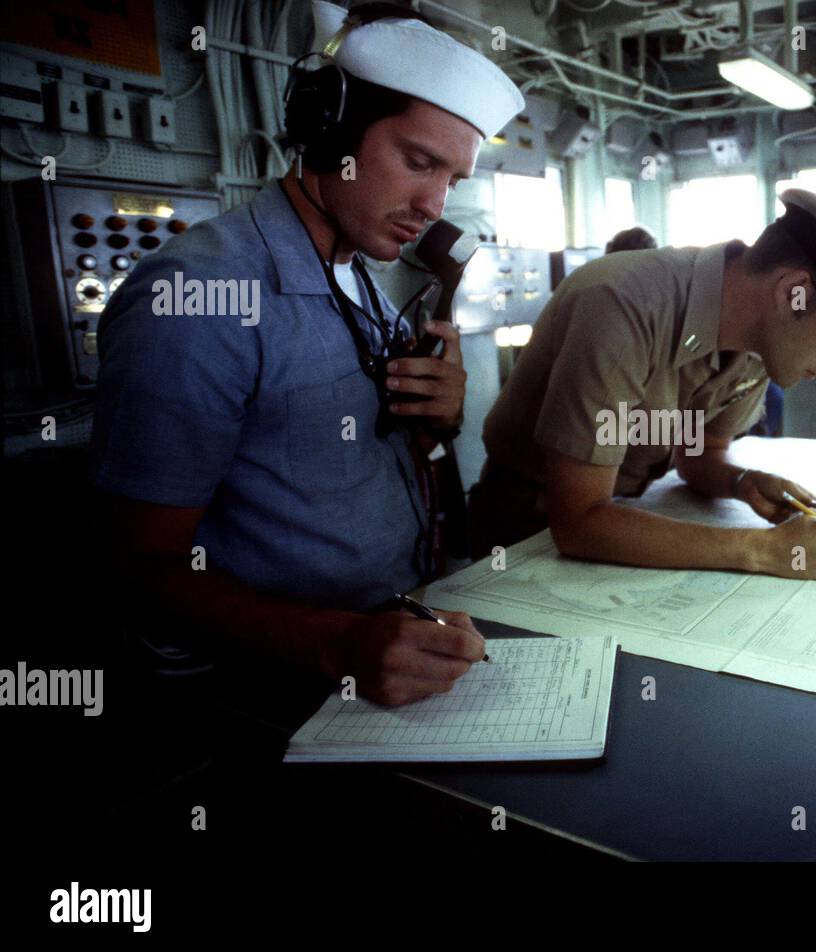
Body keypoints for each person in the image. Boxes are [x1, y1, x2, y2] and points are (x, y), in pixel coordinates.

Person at [89, 1, 524, 709]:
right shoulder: (202, 297)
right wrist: (336, 643)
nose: (433, 206)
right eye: (418, 162)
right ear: (330, 129)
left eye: (452, 181)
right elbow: (139, 565)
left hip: (387, 637)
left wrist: (438, 419)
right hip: (261, 686)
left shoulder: (361, 277)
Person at [467, 188, 816, 579]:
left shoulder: (758, 342)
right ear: (794, 294)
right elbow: (578, 522)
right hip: (524, 535)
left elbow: (700, 454)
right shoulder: (623, 303)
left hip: (626, 518)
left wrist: (742, 482)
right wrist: (767, 550)